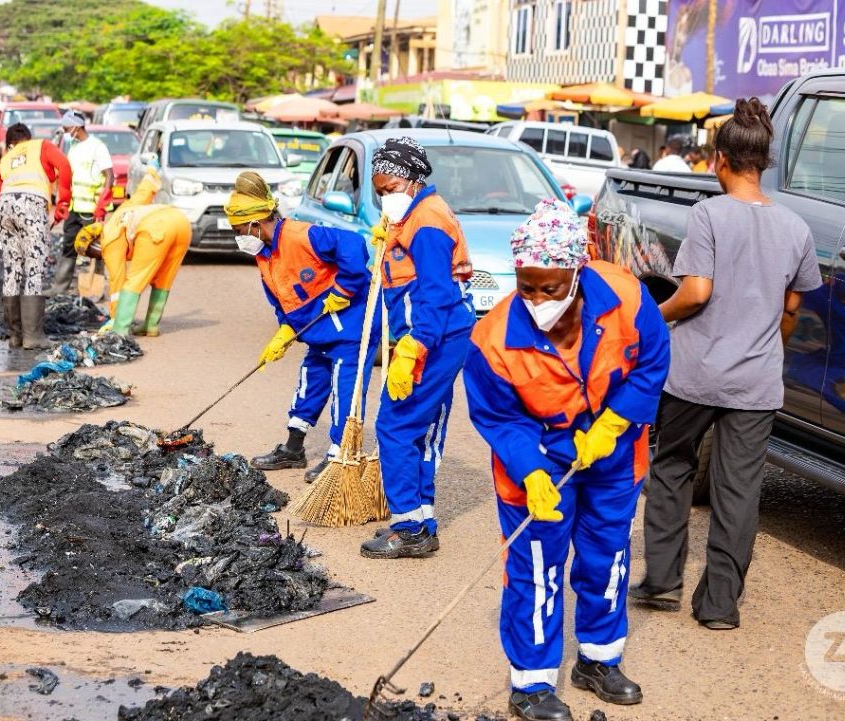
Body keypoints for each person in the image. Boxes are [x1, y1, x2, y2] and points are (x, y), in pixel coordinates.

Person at [464, 199, 670, 720]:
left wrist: (615, 421)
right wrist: (531, 471)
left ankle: (598, 659)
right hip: (538, 460)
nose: (536, 299)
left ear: (575, 274)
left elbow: (653, 358)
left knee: (608, 557)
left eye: (549, 288)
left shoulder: (623, 296)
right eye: (526, 286)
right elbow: (498, 417)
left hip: (613, 455)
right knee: (536, 567)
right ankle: (530, 683)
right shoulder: (492, 339)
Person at [631, 98, 822, 630]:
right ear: (762, 163)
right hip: (757, 382)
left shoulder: (708, 214)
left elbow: (694, 293)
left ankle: (663, 583)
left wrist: (655, 314)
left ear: (720, 159)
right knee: (739, 490)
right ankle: (719, 606)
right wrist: (769, 347)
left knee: (672, 468)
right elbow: (791, 308)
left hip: (695, 373)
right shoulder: (795, 227)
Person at [359, 137, 475, 560]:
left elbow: (436, 293)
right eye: (378, 192)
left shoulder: (425, 222)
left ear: (410, 179)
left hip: (433, 336)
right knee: (417, 429)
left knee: (394, 426)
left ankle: (408, 525)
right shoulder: (414, 213)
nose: (383, 198)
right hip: (444, 334)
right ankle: (422, 522)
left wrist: (415, 348)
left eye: (388, 189)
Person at [224, 171, 378, 482]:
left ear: (256, 222)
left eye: (240, 229)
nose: (239, 235)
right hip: (316, 330)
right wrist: (284, 331)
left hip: (350, 327)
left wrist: (344, 291)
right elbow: (281, 298)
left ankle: (339, 456)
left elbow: (354, 245)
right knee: (310, 382)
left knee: (345, 391)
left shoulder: (301, 235)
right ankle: (294, 448)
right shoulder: (264, 254)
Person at [74, 169, 189, 337]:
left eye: (91, 253)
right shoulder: (121, 212)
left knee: (134, 280)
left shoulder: (109, 238)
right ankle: (150, 325)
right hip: (180, 222)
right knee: (163, 278)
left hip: (156, 229)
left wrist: (114, 318)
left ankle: (120, 329)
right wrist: (150, 175)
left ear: (94, 243)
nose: (97, 257)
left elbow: (117, 282)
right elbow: (141, 195)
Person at [0, 122, 72, 349]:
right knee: (34, 268)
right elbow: (64, 166)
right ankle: (33, 336)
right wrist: (63, 201)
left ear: (11, 142)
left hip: (5, 206)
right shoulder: (41, 146)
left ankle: (15, 335)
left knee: (12, 269)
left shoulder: (6, 159)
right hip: (31, 204)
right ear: (28, 137)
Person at [49, 110, 113, 296]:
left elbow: (109, 175)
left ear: (76, 127)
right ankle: (60, 287)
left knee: (94, 250)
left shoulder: (97, 147)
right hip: (74, 208)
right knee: (69, 247)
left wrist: (101, 205)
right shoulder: (74, 147)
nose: (66, 132)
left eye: (67, 128)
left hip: (92, 210)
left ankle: (96, 289)